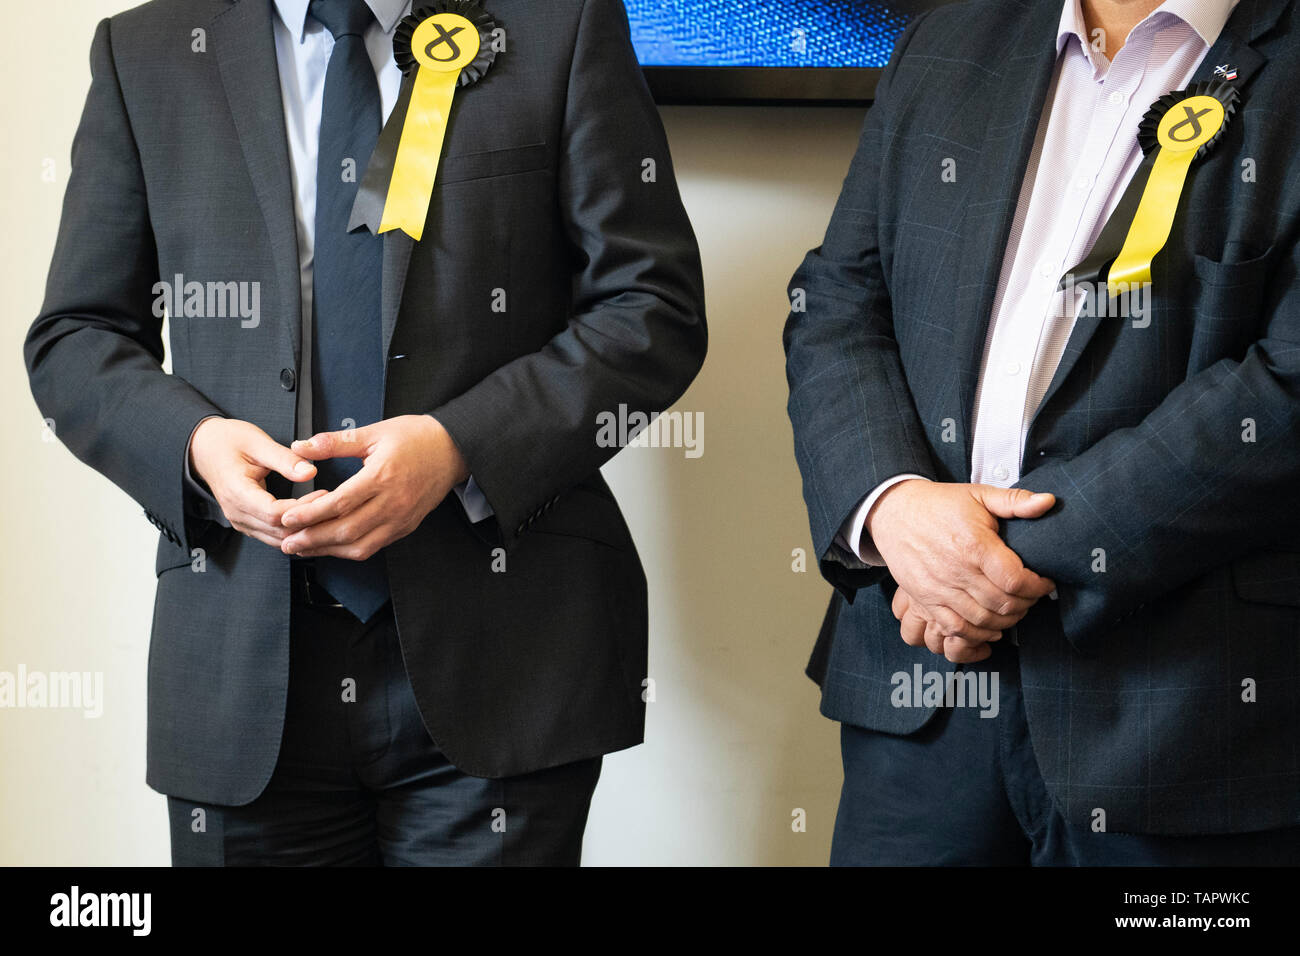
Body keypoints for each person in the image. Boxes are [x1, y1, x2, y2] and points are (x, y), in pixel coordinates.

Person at [26, 0, 705, 865]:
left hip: (506, 653)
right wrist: (195, 447)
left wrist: (462, 445)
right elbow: (77, 338)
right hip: (244, 662)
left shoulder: (560, 23)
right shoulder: (146, 49)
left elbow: (654, 305)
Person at [785, 0, 1300, 865]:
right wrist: (897, 509)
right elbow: (837, 298)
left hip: (1186, 722)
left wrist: (991, 558)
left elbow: (1286, 384)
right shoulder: (951, 34)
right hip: (922, 708)